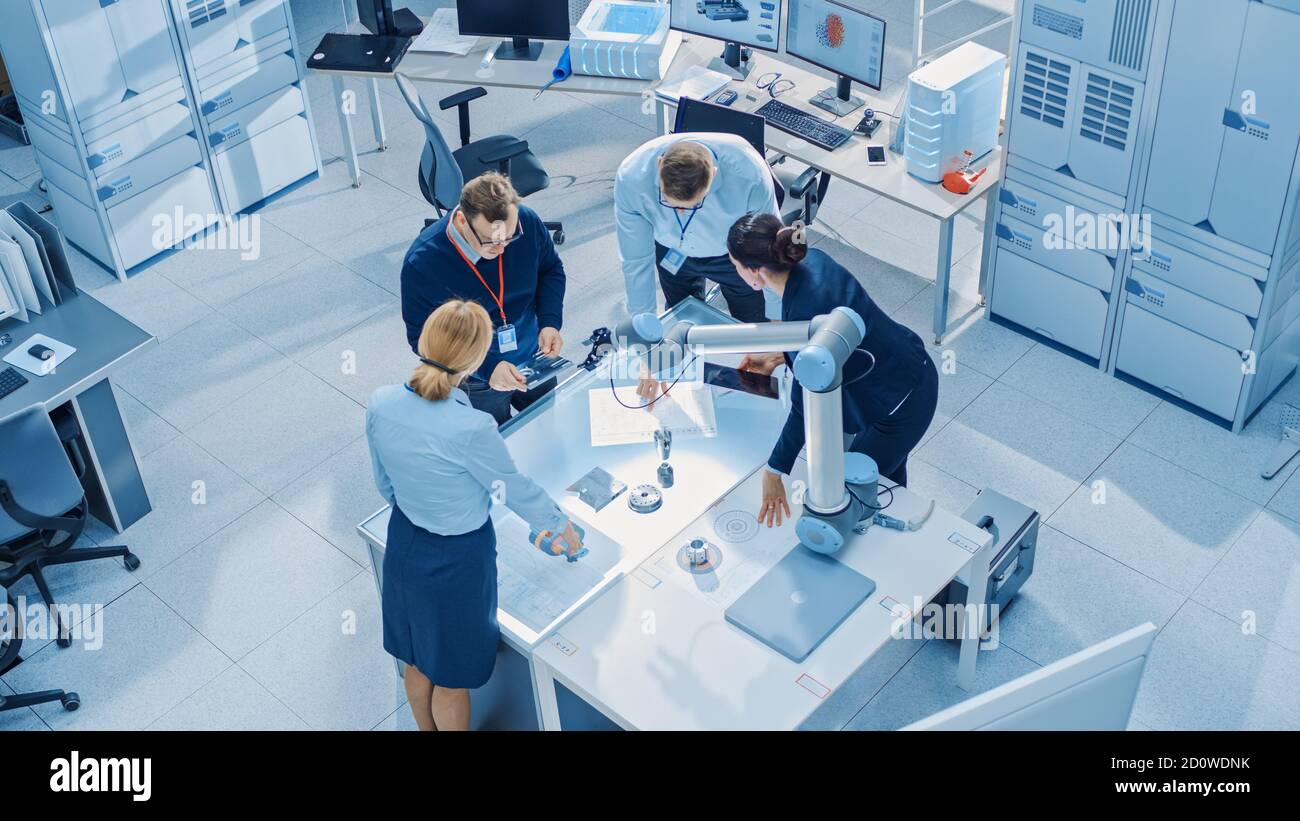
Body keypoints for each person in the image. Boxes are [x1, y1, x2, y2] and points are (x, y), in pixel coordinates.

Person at [367, 299, 584, 731]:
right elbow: (511, 489)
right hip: (459, 558)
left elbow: (385, 484)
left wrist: (420, 506)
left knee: (416, 659)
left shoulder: (381, 402)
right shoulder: (471, 427)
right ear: (473, 359)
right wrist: (558, 525)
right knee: (451, 679)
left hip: (405, 542)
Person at [724, 213, 940, 527]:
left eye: (735, 265)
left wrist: (773, 471)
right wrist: (778, 358)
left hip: (899, 406)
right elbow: (833, 343)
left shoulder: (805, 304)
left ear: (754, 271)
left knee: (846, 493)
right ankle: (894, 527)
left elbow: (804, 409)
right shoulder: (813, 261)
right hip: (908, 369)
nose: (735, 272)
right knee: (886, 483)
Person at [401, 172, 566, 425]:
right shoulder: (423, 263)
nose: (501, 249)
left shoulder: (527, 223)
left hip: (533, 354)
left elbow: (550, 269)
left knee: (547, 425)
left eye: (510, 237)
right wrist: (488, 368)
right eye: (490, 241)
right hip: (476, 378)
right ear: (461, 220)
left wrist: (550, 321)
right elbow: (422, 340)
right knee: (495, 445)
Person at [615, 133, 780, 324]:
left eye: (693, 205)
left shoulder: (750, 176)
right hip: (673, 253)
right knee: (683, 323)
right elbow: (635, 258)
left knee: (753, 323)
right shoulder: (632, 178)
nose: (682, 213)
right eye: (670, 203)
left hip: (733, 256)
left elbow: (769, 251)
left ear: (714, 174)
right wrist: (643, 320)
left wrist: (776, 316)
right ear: (659, 164)